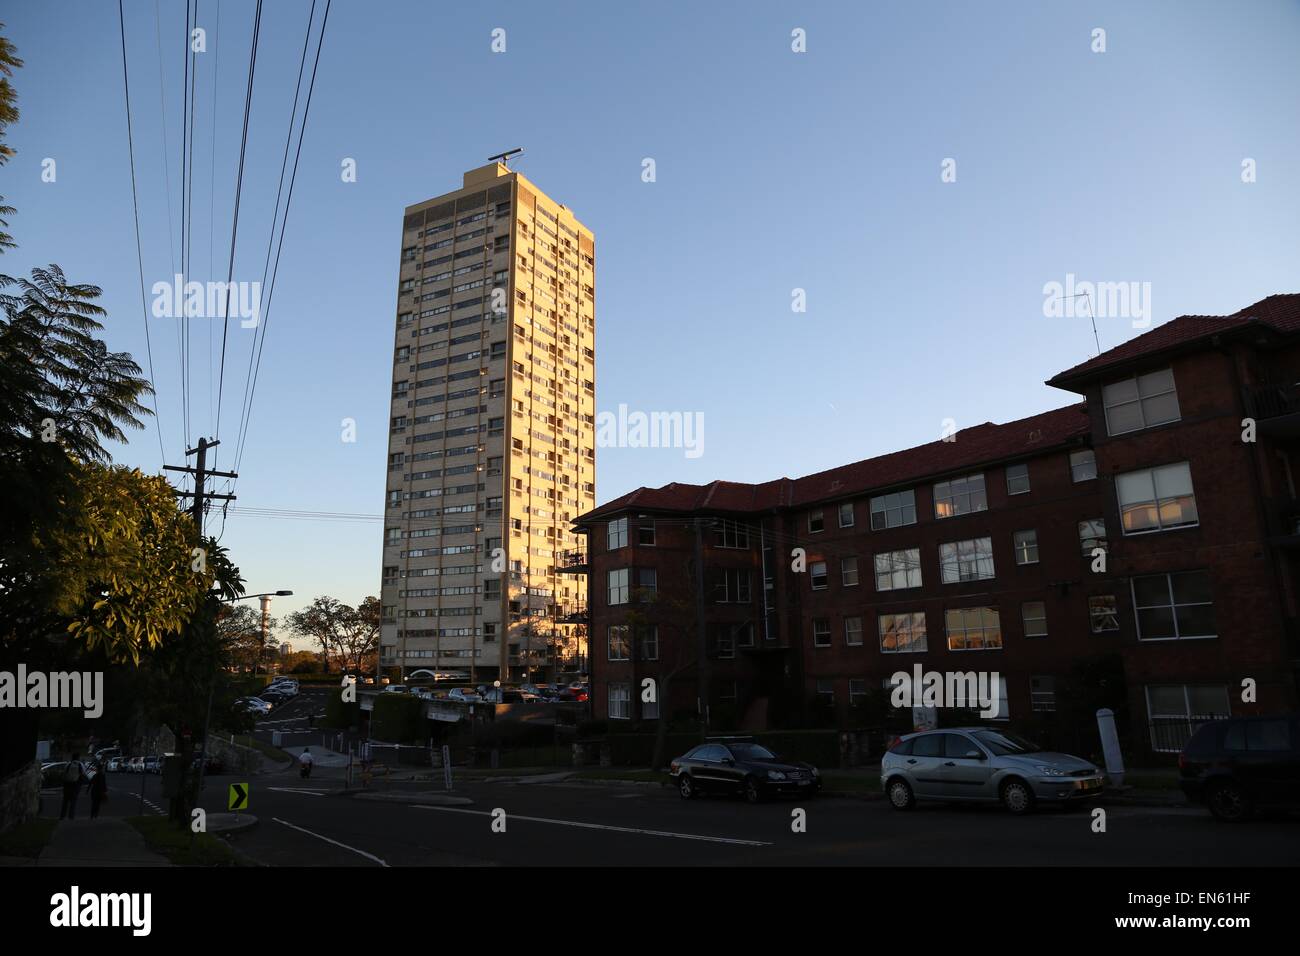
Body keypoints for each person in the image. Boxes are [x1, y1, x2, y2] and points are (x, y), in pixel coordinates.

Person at [59, 754, 85, 819]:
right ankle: (71, 817)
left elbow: (64, 773)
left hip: (67, 785)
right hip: (75, 785)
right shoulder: (80, 765)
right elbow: (83, 774)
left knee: (65, 801)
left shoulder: (68, 764)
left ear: (72, 758)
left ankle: (62, 816)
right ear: (78, 758)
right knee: (73, 802)